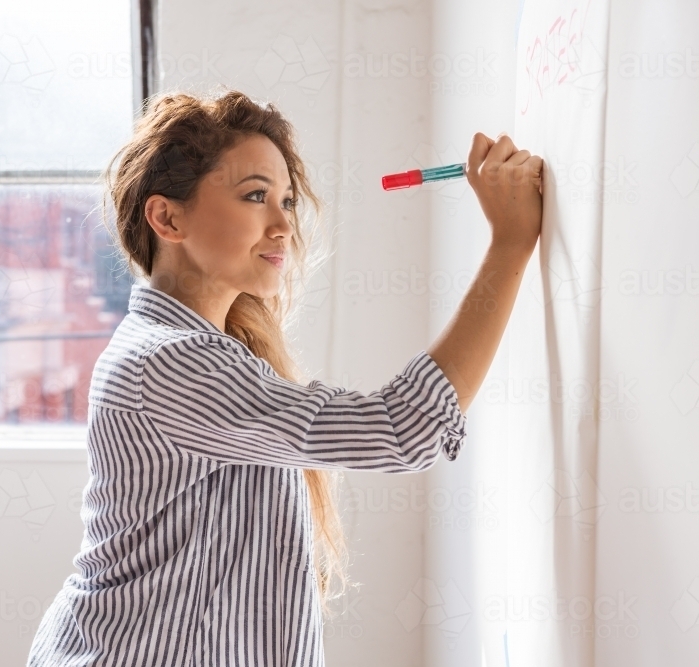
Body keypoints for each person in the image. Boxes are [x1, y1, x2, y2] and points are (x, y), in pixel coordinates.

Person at [27, 89, 543, 667]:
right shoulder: (170, 362)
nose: (282, 226)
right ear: (167, 217)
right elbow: (402, 429)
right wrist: (511, 242)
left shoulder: (202, 351)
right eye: (256, 197)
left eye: (288, 202)